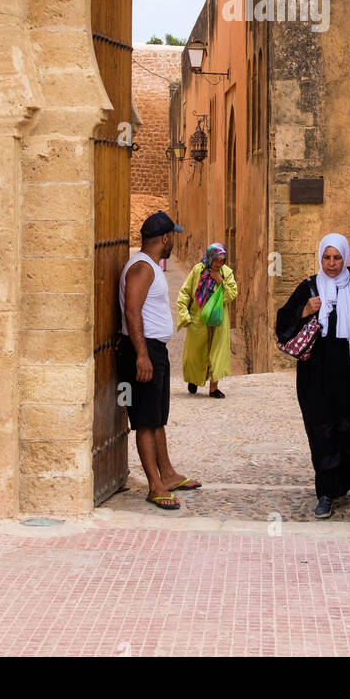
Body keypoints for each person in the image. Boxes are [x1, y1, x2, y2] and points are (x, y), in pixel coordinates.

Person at [275, 233, 350, 519]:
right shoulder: (308, 287)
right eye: (326, 257)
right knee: (322, 430)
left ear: (345, 258)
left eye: (337, 258)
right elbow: (282, 325)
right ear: (320, 258)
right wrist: (305, 310)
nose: (332, 264)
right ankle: (327, 491)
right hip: (317, 378)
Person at [117, 211, 202, 512]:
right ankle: (155, 486)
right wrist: (142, 355)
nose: (173, 242)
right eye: (172, 237)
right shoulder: (142, 268)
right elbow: (132, 311)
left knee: (157, 417)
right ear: (165, 238)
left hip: (154, 350)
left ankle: (167, 473)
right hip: (144, 351)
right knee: (145, 421)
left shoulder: (149, 265)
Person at [177, 243, 238, 398]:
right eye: (216, 260)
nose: (218, 264)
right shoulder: (198, 270)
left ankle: (213, 388)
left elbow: (231, 295)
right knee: (195, 353)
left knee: (217, 352)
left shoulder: (226, 273)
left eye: (222, 261)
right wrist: (185, 315)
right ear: (210, 258)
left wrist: (219, 281)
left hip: (218, 319)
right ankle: (194, 379)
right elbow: (185, 292)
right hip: (198, 319)